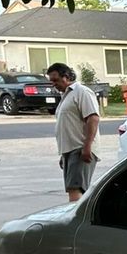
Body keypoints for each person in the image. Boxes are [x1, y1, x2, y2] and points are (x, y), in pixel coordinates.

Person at [47, 62, 100, 202]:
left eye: (55, 80)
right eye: (51, 81)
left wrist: (87, 146)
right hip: (70, 151)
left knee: (75, 190)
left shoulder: (81, 91)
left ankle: (74, 222)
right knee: (75, 190)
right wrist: (64, 154)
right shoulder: (65, 96)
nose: (53, 84)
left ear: (66, 76)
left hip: (80, 148)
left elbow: (93, 118)